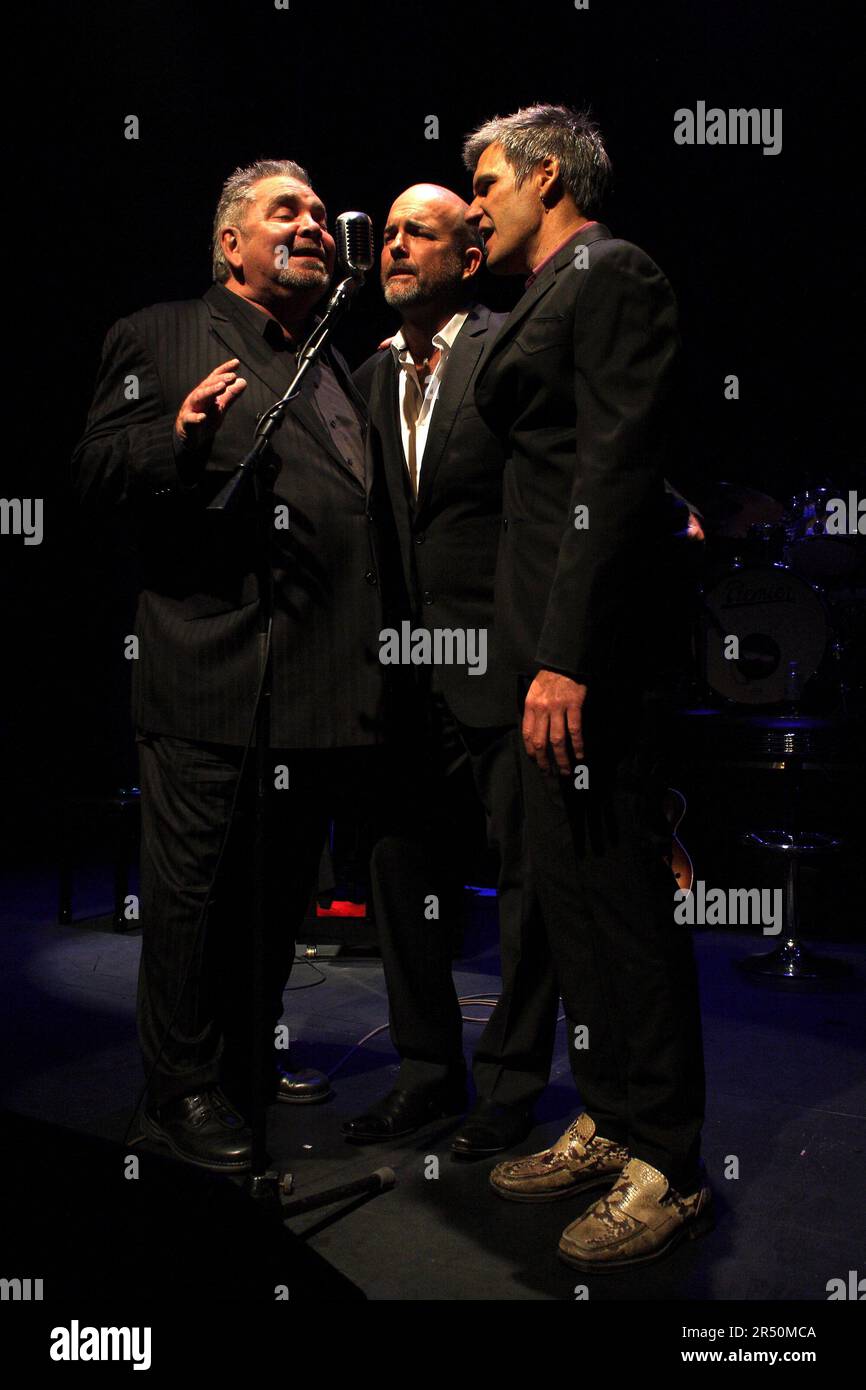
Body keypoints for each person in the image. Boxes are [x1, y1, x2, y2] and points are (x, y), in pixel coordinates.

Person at [72, 159, 384, 1172]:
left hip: (318, 691)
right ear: (230, 243)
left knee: (268, 910)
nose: (309, 224)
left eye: (315, 210)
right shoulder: (159, 333)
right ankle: (180, 1090)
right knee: (190, 904)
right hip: (209, 674)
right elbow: (93, 471)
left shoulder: (333, 362)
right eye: (281, 211)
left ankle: (242, 1068)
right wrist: (176, 436)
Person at [463, 106, 711, 1269]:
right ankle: (609, 1117)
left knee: (620, 904)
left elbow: (614, 466)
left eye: (485, 179)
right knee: (569, 903)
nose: (472, 202)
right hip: (540, 651)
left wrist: (564, 654)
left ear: (544, 173)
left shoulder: (611, 273)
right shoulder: (541, 292)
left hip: (589, 661)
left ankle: (666, 1155)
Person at [344, 184, 560, 1158]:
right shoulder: (358, 375)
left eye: (416, 234)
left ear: (465, 258)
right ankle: (425, 1075)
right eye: (386, 234)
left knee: (524, 885)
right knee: (398, 877)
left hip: (500, 664)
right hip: (399, 675)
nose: (392, 248)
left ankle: (509, 1092)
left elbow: (558, 503)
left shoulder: (510, 349)